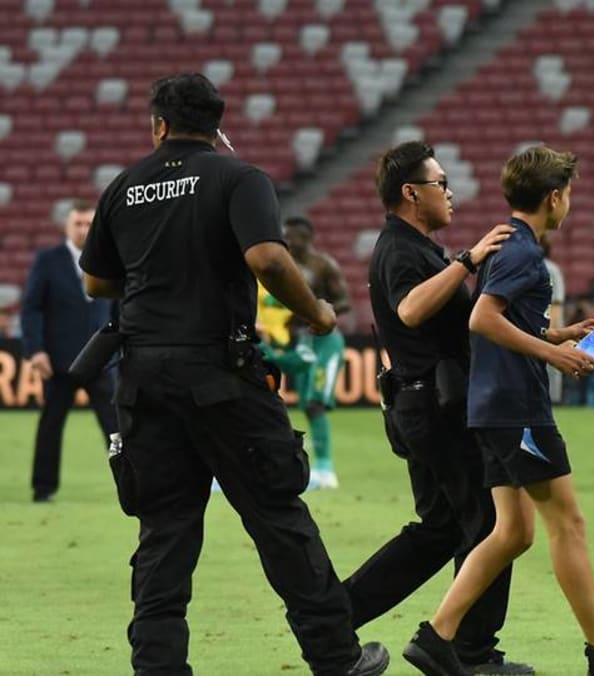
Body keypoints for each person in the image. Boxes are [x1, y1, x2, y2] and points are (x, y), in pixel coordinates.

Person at [78, 72, 387, 676]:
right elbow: (268, 257)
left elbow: (96, 280)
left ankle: (158, 667)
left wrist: (155, 271)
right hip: (221, 372)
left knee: (163, 530)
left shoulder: (122, 187)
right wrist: (318, 311)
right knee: (277, 516)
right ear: (217, 128)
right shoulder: (238, 178)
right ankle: (336, 658)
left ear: (159, 124)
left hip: (143, 375)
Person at [402, 146, 594, 676]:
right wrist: (553, 353)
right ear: (554, 197)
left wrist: (554, 332)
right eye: (568, 193)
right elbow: (482, 320)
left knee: (514, 533)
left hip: (490, 409)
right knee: (568, 524)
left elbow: (504, 319)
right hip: (518, 410)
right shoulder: (523, 252)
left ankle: (437, 637)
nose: (569, 202)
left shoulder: (507, 244)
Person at [343, 141, 533, 675]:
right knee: (490, 521)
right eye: (441, 184)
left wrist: (550, 338)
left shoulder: (414, 248)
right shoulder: (403, 250)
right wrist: (468, 260)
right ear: (411, 193)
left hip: (423, 406)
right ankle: (471, 654)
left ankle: (334, 615)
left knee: (441, 528)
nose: (451, 194)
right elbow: (409, 309)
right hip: (441, 409)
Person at [20, 199, 119, 503]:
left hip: (100, 359)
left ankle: (132, 483)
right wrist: (36, 350)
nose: (83, 230)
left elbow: (120, 306)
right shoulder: (48, 260)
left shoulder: (109, 258)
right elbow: (32, 308)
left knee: (117, 428)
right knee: (51, 425)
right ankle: (43, 488)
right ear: (66, 225)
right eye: (77, 223)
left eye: (89, 224)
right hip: (59, 359)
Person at [280, 215, 351, 488]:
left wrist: (317, 310)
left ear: (306, 238)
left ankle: (326, 469)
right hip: (301, 341)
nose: (287, 240)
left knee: (314, 402)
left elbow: (343, 301)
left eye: (291, 236)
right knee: (305, 405)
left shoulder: (324, 265)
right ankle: (317, 467)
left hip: (325, 341)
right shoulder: (285, 265)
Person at [542, 234, 566, 404]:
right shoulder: (552, 269)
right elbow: (556, 304)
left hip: (536, 327)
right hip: (547, 327)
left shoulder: (523, 266)